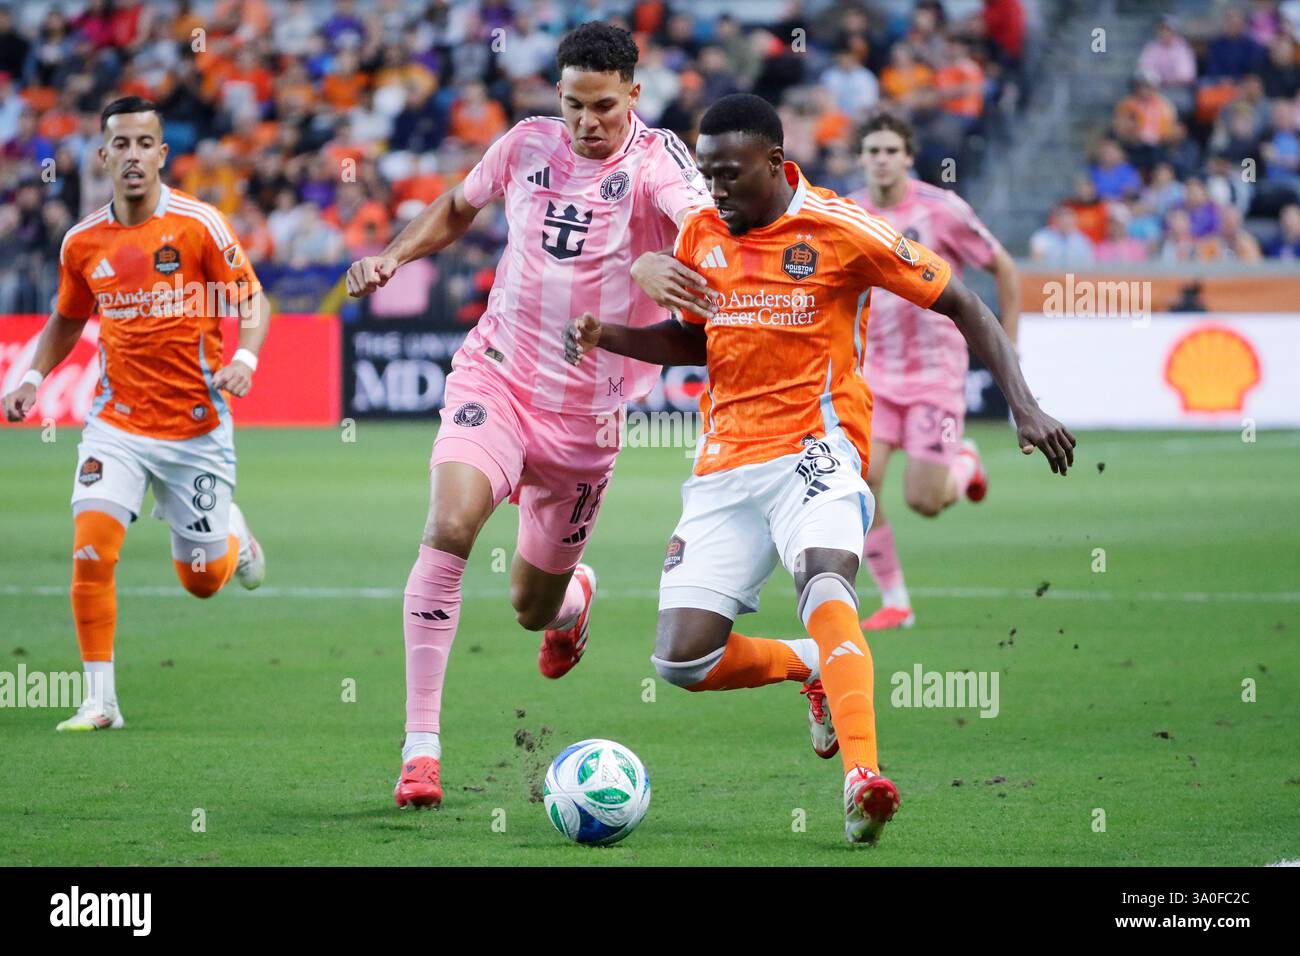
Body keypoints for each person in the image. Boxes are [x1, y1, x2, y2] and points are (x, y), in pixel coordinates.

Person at [566, 93, 1075, 844]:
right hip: (725, 460)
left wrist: (1022, 403)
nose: (716, 191)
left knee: (825, 579)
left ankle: (862, 778)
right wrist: (606, 333)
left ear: (775, 163)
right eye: (707, 175)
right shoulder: (702, 232)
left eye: (731, 174)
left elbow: (964, 301)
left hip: (819, 447)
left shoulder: (842, 229)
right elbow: (697, 342)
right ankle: (811, 665)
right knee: (682, 661)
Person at [344, 22, 713, 810]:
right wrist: (394, 256)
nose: (588, 122)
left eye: (605, 106)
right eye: (575, 104)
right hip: (497, 379)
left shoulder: (658, 162)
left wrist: (674, 261)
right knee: (449, 527)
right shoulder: (524, 145)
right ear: (558, 95)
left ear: (635, 97)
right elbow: (456, 204)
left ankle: (572, 601)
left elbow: (706, 232)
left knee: (529, 608)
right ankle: (420, 750)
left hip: (588, 423)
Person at [1, 96, 270, 731]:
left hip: (196, 431)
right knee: (91, 550)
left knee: (202, 581)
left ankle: (232, 531)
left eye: (144, 144)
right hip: (115, 423)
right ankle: (101, 701)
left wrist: (247, 361)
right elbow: (68, 317)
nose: (132, 156)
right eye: (119, 144)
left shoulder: (200, 225)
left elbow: (250, 301)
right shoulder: (81, 241)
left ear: (162, 154)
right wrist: (33, 376)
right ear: (103, 156)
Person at [847, 113, 1020, 631]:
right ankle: (896, 600)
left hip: (935, 371)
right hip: (872, 371)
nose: (881, 159)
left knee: (925, 501)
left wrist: (1008, 348)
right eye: (872, 150)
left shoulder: (941, 210)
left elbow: (1003, 266)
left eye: (890, 150)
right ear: (861, 157)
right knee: (860, 482)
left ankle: (965, 465)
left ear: (907, 156)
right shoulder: (848, 212)